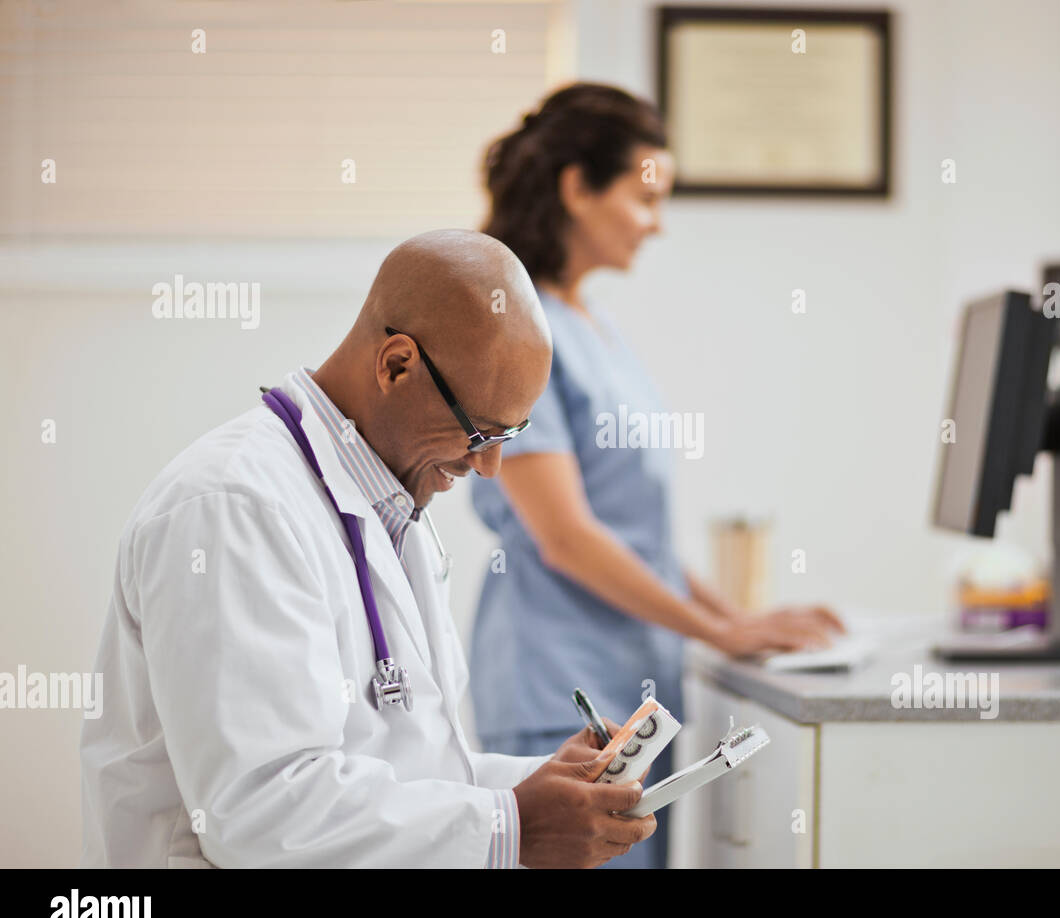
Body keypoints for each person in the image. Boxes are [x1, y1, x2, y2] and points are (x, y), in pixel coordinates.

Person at [80, 229, 656, 868]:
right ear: (396, 364)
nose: (489, 466)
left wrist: (537, 788)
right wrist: (508, 826)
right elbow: (258, 812)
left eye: (510, 434)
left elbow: (406, 768)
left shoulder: (389, 508)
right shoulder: (233, 505)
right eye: (478, 432)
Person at [469, 84, 845, 869]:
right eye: (645, 197)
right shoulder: (524, 328)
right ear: (577, 187)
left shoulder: (593, 327)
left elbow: (640, 536)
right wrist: (721, 631)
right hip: (558, 696)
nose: (657, 222)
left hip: (631, 693)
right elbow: (567, 536)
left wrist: (740, 615)